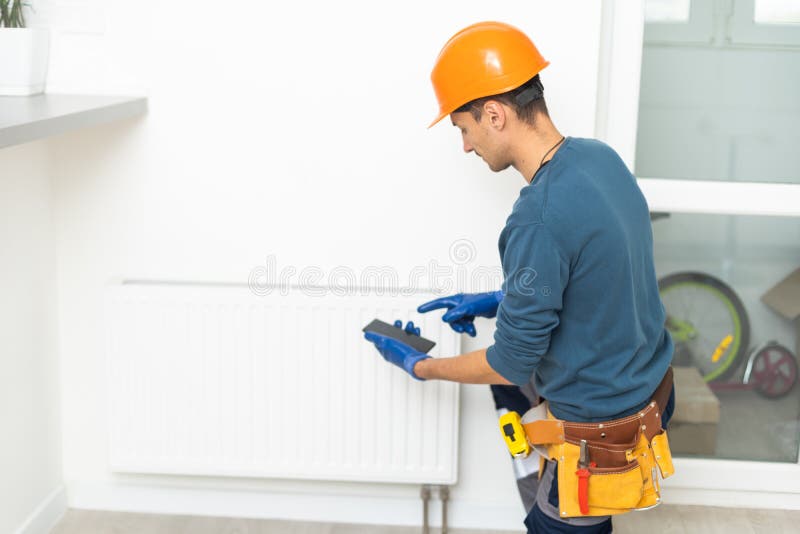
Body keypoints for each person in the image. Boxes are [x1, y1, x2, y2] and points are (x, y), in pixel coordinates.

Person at [364, 21, 675, 533]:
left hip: (600, 431)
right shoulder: (599, 159)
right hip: (651, 386)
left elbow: (511, 361)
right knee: (512, 398)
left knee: (513, 396)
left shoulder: (536, 217)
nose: (466, 146)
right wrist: (498, 299)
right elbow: (601, 273)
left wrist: (424, 367)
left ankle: (554, 505)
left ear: (494, 113)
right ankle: (544, 489)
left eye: (463, 128)